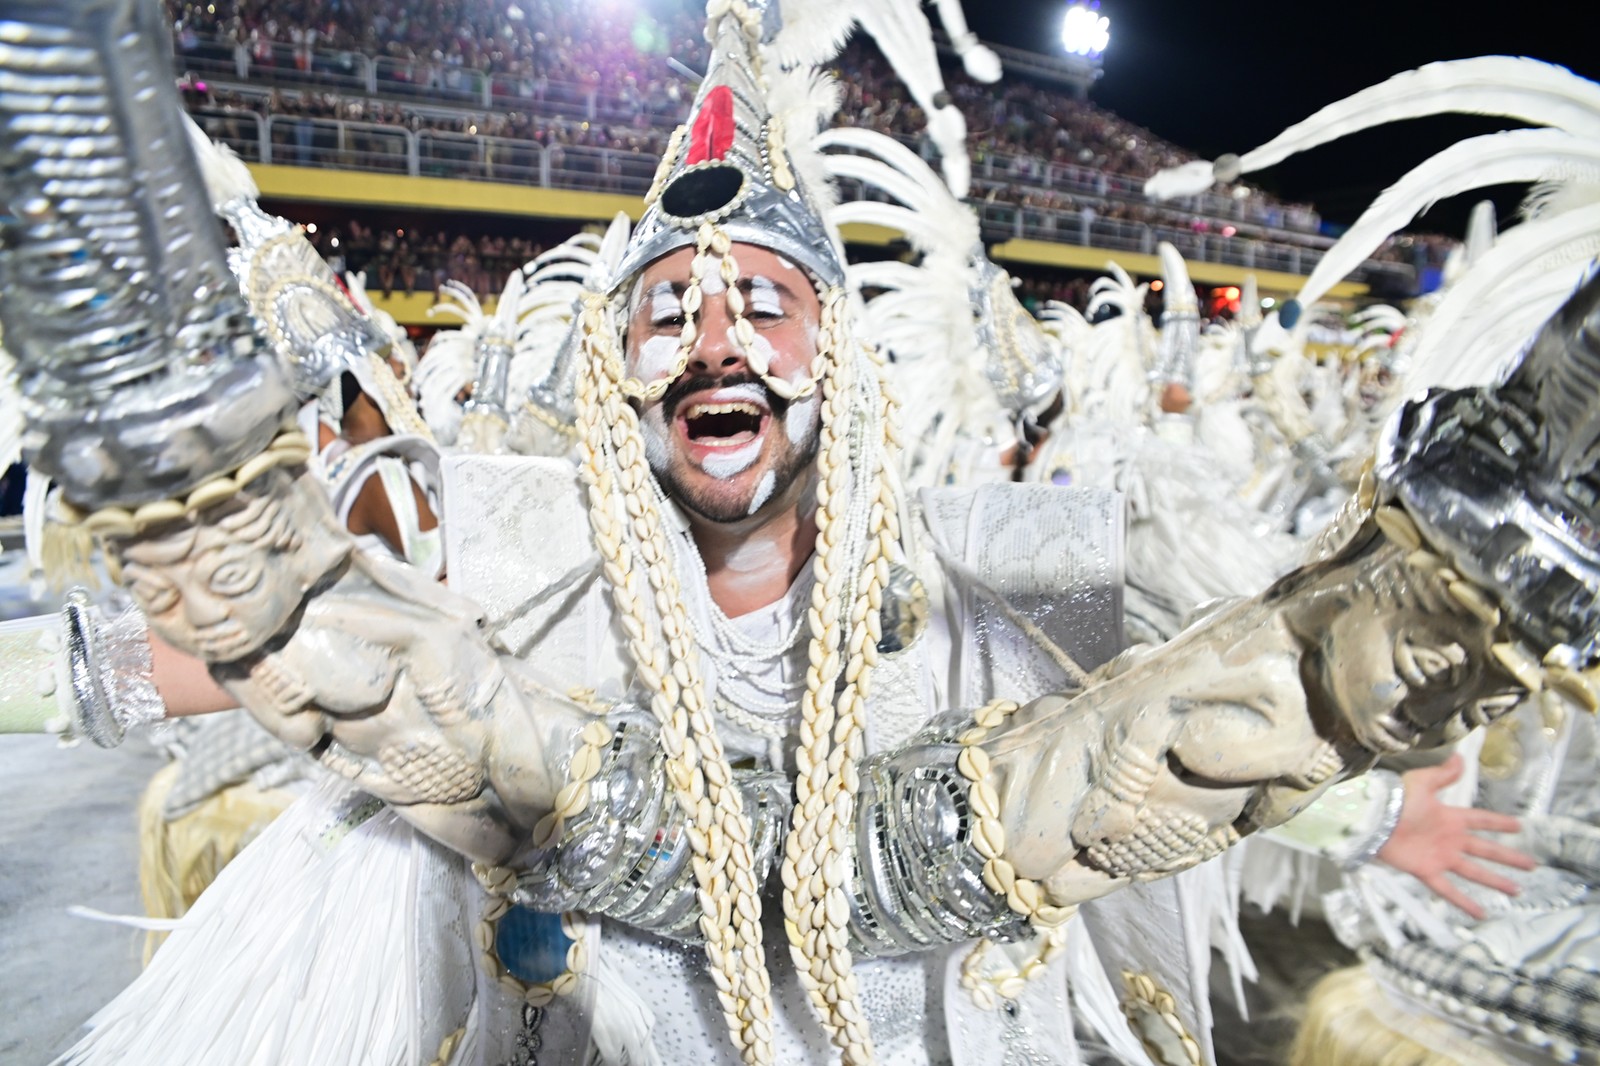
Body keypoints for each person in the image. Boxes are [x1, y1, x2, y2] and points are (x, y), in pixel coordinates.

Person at [2, 3, 1596, 1065]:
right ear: (612, 371)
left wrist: (1382, 821)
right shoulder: (504, 546)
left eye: (764, 303)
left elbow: (1207, 743)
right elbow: (203, 657)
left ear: (840, 357)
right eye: (671, 311)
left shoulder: (1018, 569)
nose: (718, 341)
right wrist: (112, 625)